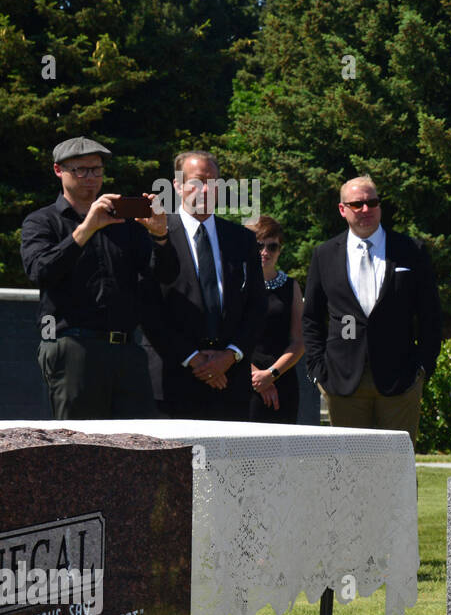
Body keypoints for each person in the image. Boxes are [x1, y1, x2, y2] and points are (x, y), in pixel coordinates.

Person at [20, 137, 179, 418]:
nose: (90, 178)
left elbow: (164, 276)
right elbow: (40, 272)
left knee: (139, 444)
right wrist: (86, 229)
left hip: (127, 350)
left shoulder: (125, 223)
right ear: (58, 170)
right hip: (72, 347)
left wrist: (161, 236)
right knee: (80, 446)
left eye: (96, 169)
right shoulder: (41, 221)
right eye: (80, 170)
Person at [302, 176, 442, 442]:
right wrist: (318, 369)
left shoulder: (411, 250)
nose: (366, 210)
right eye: (357, 204)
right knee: (349, 470)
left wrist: (423, 368)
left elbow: (430, 315)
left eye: (372, 202)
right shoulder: (325, 254)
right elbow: (311, 318)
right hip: (342, 381)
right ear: (342, 209)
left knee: (396, 467)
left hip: (401, 379)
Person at [141, 150, 267, 421]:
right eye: (198, 181)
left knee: (230, 463)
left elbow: (257, 306)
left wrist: (230, 356)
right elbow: (149, 308)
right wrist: (194, 359)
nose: (207, 189)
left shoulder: (242, 239)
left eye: (214, 182)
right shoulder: (156, 234)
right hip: (173, 381)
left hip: (230, 383)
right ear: (177, 185)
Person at [245, 216, 305, 424]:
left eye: (272, 247)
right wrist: (257, 377)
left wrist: (271, 375)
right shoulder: (234, 284)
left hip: (283, 379)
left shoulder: (292, 286)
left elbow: (299, 341)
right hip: (242, 379)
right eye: (259, 245)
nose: (265, 252)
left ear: (280, 250)